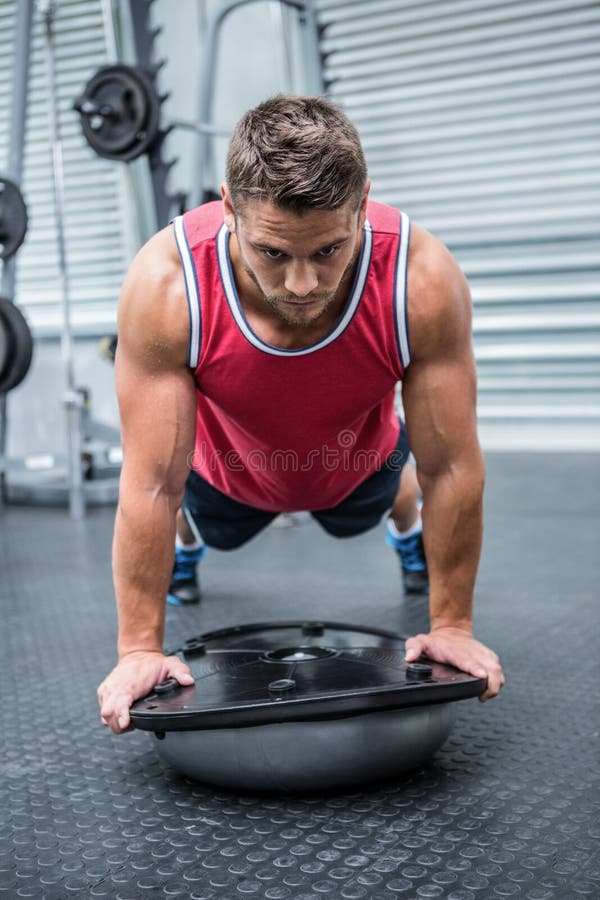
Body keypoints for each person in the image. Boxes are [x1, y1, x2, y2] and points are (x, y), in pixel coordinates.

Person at [98, 95, 504, 734]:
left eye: (327, 251)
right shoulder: (168, 284)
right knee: (176, 497)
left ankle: (405, 531)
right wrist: (139, 649)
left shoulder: (419, 279)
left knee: (401, 489)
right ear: (229, 208)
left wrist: (452, 625)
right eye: (274, 254)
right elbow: (151, 482)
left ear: (362, 204)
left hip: (356, 464)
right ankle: (189, 547)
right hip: (225, 472)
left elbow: (450, 467)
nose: (302, 284)